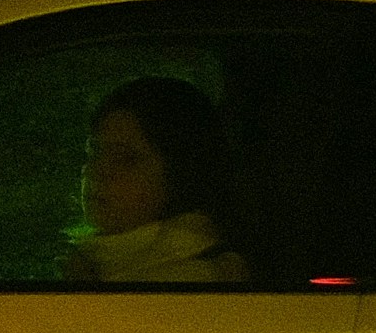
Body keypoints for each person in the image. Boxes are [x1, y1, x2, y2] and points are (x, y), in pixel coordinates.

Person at [67, 76, 247, 284]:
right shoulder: (107, 264)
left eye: (126, 159)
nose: (96, 170)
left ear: (181, 173)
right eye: (94, 152)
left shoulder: (193, 279)